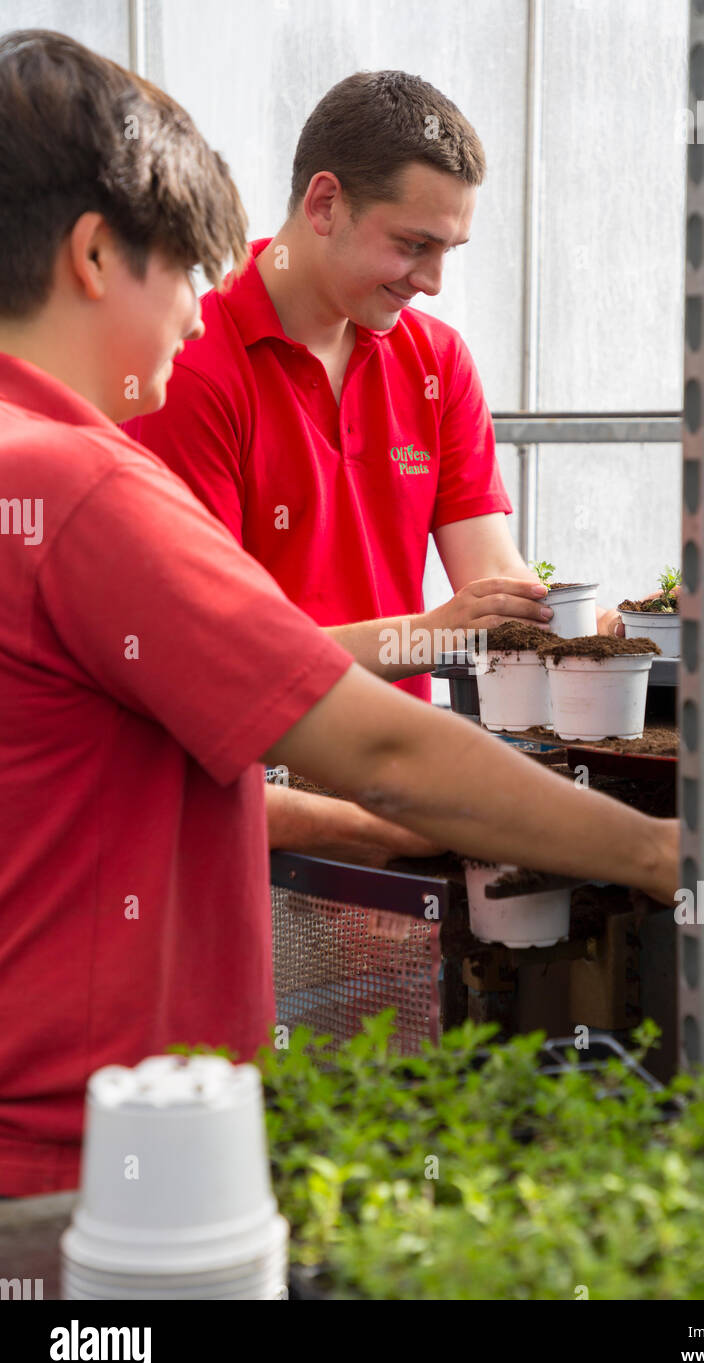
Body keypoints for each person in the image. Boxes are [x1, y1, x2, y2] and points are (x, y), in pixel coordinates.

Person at [0, 31, 704, 1197]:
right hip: (82, 1141)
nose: (193, 314)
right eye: (181, 269)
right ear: (93, 255)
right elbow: (373, 746)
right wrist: (659, 851)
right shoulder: (80, 488)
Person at [123, 70, 626, 845]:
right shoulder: (191, 367)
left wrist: (593, 630)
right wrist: (429, 635)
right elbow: (214, 664)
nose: (431, 281)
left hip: (391, 793)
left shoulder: (437, 362)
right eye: (412, 245)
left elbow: (492, 587)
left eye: (449, 250)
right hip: (254, 817)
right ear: (324, 204)